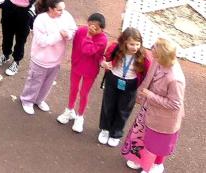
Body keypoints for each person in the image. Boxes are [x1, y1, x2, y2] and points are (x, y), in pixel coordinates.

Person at [122, 38, 186, 172]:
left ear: (163, 56)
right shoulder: (160, 61)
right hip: (150, 108)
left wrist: (150, 96)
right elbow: (149, 77)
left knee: (158, 143)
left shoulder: (175, 79)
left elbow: (175, 104)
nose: (152, 53)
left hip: (164, 118)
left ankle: (156, 165)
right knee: (144, 136)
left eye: (155, 51)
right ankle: (140, 160)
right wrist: (141, 95)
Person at [19, 0, 78, 114]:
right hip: (40, 59)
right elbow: (41, 41)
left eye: (63, 9)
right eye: (59, 10)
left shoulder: (65, 15)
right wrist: (59, 35)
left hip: (56, 59)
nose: (62, 12)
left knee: (48, 82)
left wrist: (69, 35)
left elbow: (73, 29)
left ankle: (39, 100)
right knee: (34, 81)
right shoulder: (40, 20)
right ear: (50, 8)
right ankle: (27, 100)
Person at [59, 13, 110, 133]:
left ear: (102, 29)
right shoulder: (81, 30)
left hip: (90, 70)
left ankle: (80, 116)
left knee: (84, 93)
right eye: (90, 25)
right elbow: (75, 45)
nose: (91, 28)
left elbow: (88, 51)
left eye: (96, 28)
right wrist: (73, 59)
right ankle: (69, 110)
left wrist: (89, 36)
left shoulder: (102, 39)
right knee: (73, 88)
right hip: (77, 66)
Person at [99, 28, 150, 148]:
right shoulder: (115, 48)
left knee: (124, 110)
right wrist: (103, 63)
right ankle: (105, 129)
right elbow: (103, 58)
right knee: (108, 105)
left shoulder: (143, 57)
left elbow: (147, 74)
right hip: (113, 79)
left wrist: (142, 90)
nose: (135, 47)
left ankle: (115, 133)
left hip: (130, 84)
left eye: (138, 44)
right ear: (124, 42)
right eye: (132, 44)